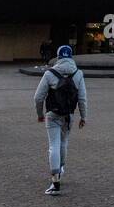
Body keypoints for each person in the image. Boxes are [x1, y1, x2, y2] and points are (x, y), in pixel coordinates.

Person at [34, 44, 87, 195]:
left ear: (58, 57)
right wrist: (83, 116)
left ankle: (55, 180)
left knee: (53, 145)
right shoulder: (78, 74)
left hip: (52, 114)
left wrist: (39, 114)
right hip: (68, 116)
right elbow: (82, 99)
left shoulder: (49, 74)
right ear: (71, 57)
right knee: (64, 143)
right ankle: (61, 167)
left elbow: (38, 97)